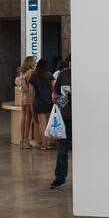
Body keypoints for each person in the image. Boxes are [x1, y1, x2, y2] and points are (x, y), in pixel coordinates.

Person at [50, 57, 72, 189]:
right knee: (62, 149)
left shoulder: (88, 75)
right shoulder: (63, 75)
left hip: (84, 118)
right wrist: (60, 99)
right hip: (66, 117)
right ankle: (60, 177)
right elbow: (55, 93)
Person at [29, 60, 54, 151]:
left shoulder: (33, 76)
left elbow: (31, 93)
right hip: (49, 102)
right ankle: (48, 143)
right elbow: (54, 87)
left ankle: (43, 145)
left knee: (42, 124)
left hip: (39, 103)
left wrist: (31, 104)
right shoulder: (49, 75)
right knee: (48, 123)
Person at [15, 57, 37, 149]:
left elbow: (18, 82)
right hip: (29, 96)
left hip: (23, 96)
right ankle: (26, 140)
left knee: (23, 117)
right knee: (28, 119)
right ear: (30, 62)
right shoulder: (31, 72)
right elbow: (32, 85)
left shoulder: (22, 72)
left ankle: (22, 139)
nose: (35, 63)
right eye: (34, 61)